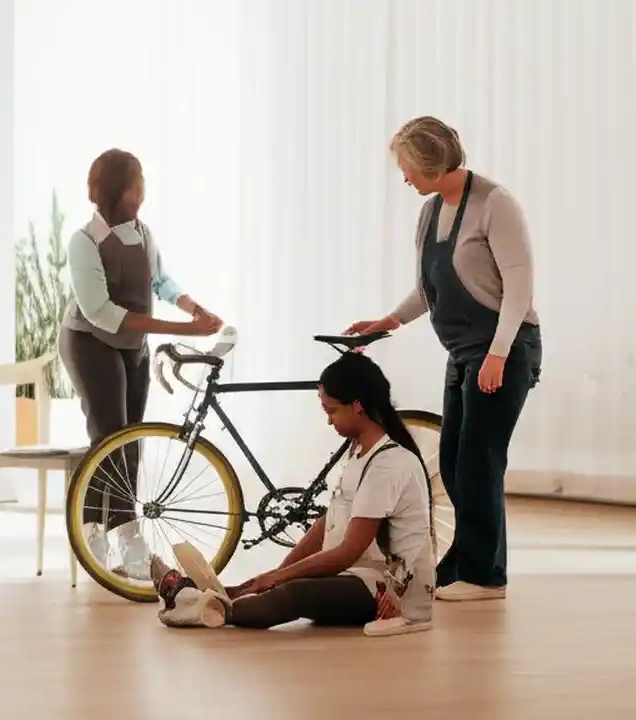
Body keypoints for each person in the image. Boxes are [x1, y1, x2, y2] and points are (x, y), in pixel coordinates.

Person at [346, 116, 542, 602]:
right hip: (464, 352)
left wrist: (498, 355)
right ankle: (469, 561)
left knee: (479, 460)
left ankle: (485, 577)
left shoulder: (495, 203)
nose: (405, 178)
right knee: (453, 461)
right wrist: (389, 320)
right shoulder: (431, 210)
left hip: (504, 347)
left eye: (408, 168)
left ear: (430, 164)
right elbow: (428, 288)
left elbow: (519, 288)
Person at [152, 352, 435, 637]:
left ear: (357, 406)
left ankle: (198, 605)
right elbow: (327, 524)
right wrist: (273, 577)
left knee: (294, 594)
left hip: (386, 590)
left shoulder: (387, 463)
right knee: (269, 588)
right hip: (358, 576)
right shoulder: (360, 451)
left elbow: (347, 552)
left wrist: (278, 578)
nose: (329, 421)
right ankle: (203, 595)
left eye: (332, 411)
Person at [58, 148, 223, 580]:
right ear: (119, 191)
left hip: (132, 344)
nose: (143, 192)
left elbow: (160, 280)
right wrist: (185, 330)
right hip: (90, 341)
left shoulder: (143, 232)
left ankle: (112, 531)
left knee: (130, 440)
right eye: (137, 184)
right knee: (110, 436)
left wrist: (192, 307)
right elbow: (101, 312)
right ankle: (112, 534)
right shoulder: (84, 241)